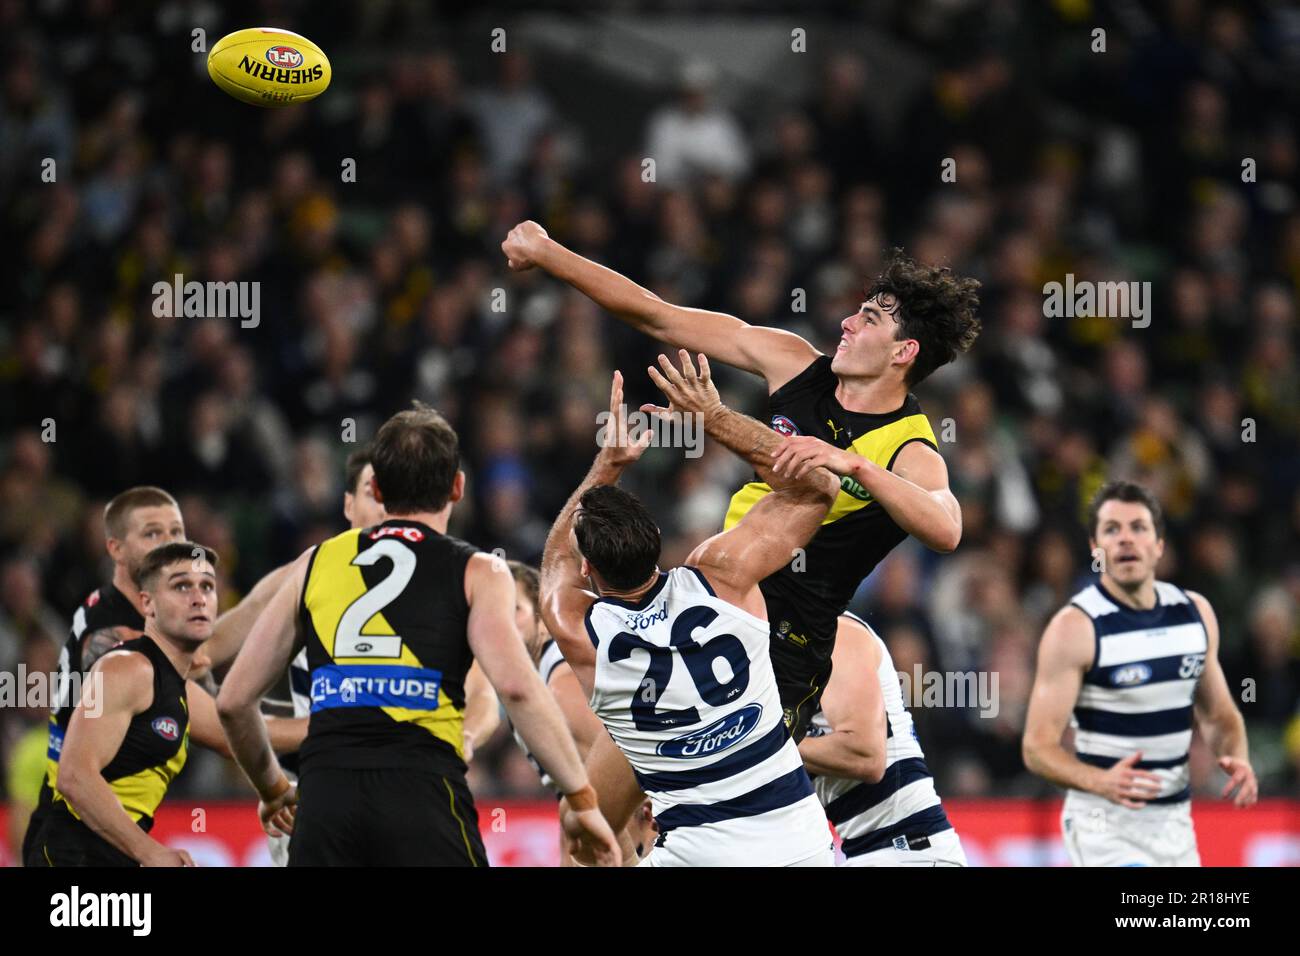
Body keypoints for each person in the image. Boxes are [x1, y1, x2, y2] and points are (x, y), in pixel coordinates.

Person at [503, 220, 979, 740]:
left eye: (867, 319)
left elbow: (947, 528)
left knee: (729, 800)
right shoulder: (794, 361)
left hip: (785, 648)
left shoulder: (909, 446)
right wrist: (549, 254)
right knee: (617, 801)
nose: (846, 322)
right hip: (709, 602)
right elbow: (659, 317)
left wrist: (858, 465)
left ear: (903, 352)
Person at [216, 403, 620, 866]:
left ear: (378, 488)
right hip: (423, 791)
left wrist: (271, 787)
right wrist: (582, 797)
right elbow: (515, 687)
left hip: (325, 800)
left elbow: (232, 702)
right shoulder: (478, 570)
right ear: (458, 487)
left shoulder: (315, 562)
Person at [541, 357, 839, 866]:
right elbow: (820, 486)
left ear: (589, 570)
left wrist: (607, 464)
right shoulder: (724, 577)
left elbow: (553, 567)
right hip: (803, 845)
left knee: (579, 842)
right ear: (657, 539)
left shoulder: (582, 632)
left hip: (698, 854)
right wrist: (711, 416)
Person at [200, 446, 499, 865]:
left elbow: (485, 693)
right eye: (373, 493)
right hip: (310, 791)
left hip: (378, 786)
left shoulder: (446, 577)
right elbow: (204, 656)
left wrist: (464, 736)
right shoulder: (306, 573)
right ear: (348, 504)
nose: (385, 505)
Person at [21, 486, 305, 865]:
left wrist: (309, 566)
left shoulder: (153, 635)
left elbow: (231, 625)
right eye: (153, 533)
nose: (170, 542)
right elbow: (229, 726)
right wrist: (337, 723)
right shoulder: (119, 648)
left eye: (176, 531)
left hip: (104, 843)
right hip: (74, 845)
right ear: (115, 549)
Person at [1022, 481, 1258, 866]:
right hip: (1106, 829)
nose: (1126, 540)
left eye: (1138, 528)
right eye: (1112, 530)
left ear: (1159, 544)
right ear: (1095, 549)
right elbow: (1037, 747)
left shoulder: (1194, 614)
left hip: (1175, 827)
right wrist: (1099, 781)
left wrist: (1237, 757)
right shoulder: (1075, 627)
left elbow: (1218, 716)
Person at [30, 543, 221, 866]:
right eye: (181, 586)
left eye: (207, 587)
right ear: (147, 603)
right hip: (74, 857)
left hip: (111, 856)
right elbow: (74, 775)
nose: (198, 597)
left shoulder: (172, 684)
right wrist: (151, 851)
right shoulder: (128, 667)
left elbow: (241, 733)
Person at [505, 560, 655, 866]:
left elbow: (614, 785)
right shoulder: (525, 680)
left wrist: (630, 859)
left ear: (542, 622)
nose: (500, 622)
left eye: (514, 610)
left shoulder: (561, 690)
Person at [802, 613, 966, 866]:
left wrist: (768, 743)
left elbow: (866, 756)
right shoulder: (783, 648)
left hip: (908, 849)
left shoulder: (835, 631)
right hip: (870, 851)